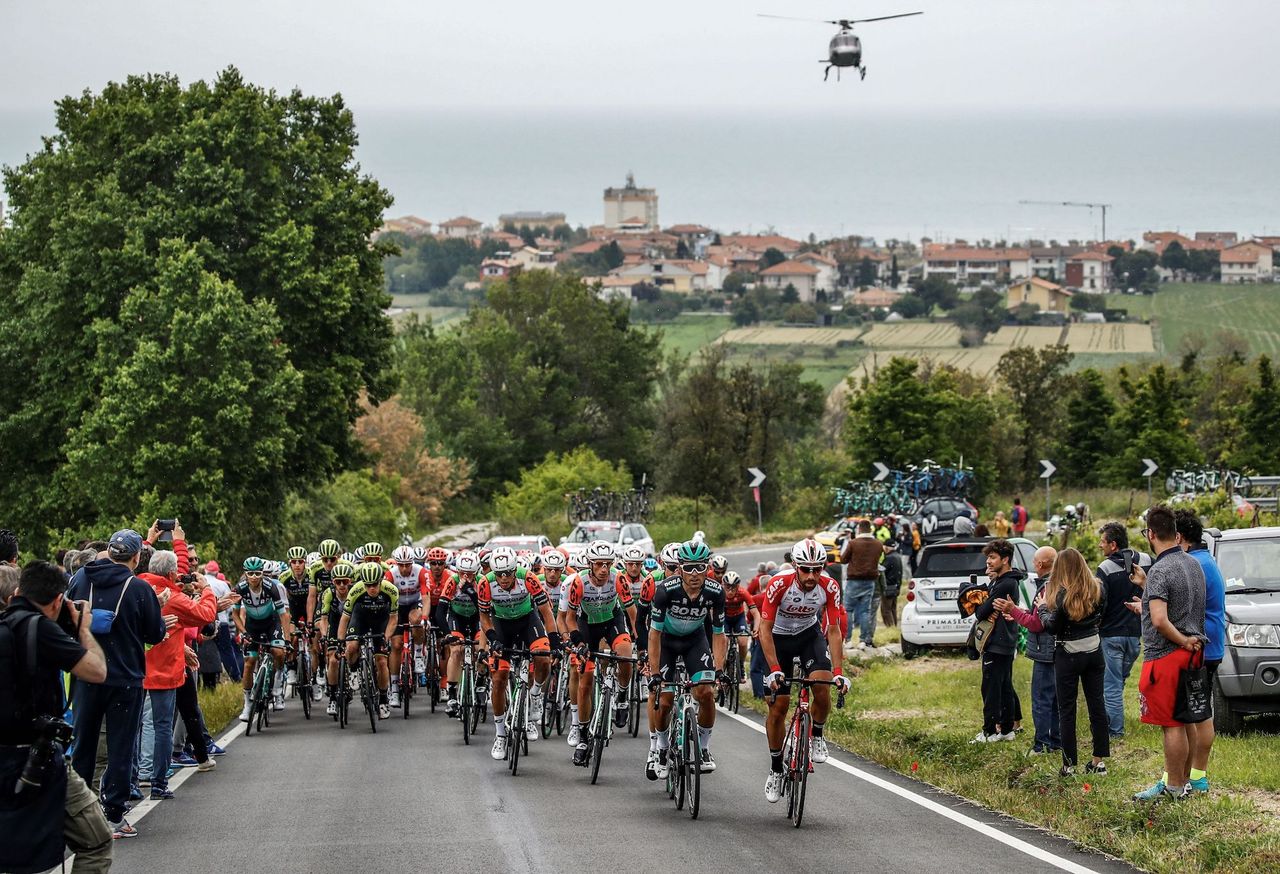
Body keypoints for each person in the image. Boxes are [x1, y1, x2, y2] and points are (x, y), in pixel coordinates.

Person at [1, 561, 112, 873]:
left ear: (19, 592)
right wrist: (84, 629)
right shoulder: (40, 628)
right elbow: (97, 671)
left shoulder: (5, 624)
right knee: (97, 840)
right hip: (37, 758)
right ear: (57, 601)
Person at [66, 528, 169, 839]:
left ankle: (78, 812)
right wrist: (158, 609)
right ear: (136, 558)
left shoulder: (81, 578)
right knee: (121, 747)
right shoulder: (138, 588)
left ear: (108, 551)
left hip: (85, 672)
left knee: (83, 742)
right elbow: (155, 633)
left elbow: (64, 618)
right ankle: (113, 814)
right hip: (125, 676)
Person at [1000, 548, 1109, 776]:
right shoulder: (1098, 588)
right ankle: (1098, 761)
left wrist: (1040, 609)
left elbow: (1051, 626)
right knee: (1097, 705)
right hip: (1094, 649)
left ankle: (1069, 764)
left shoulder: (1061, 595)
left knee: (1067, 709)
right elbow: (1102, 616)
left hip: (1068, 653)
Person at [757, 538, 848, 803]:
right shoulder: (779, 584)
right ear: (796, 566)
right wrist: (774, 668)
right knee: (779, 706)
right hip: (778, 638)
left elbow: (833, 629)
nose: (811, 576)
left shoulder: (829, 586)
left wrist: (839, 670)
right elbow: (764, 628)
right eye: (806, 569)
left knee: (823, 685)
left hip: (809, 635)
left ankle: (817, 734)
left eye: (817, 569)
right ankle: (776, 768)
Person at [1132, 505, 1208, 802]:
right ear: (1176, 534)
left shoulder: (1161, 569)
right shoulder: (1193, 563)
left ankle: (1174, 786)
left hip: (1168, 653)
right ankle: (1186, 782)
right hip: (1193, 651)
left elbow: (1160, 620)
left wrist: (1183, 640)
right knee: (1187, 719)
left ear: (1150, 534)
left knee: (1171, 725)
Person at [139, 540, 219, 798]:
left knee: (138, 724)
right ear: (173, 574)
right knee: (161, 725)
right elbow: (205, 614)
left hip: (135, 667)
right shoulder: (172, 597)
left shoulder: (138, 585)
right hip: (163, 670)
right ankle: (157, 780)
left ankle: (136, 775)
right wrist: (206, 589)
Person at [647, 540, 726, 778]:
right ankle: (661, 747)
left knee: (705, 693)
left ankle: (703, 748)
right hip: (667, 642)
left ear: (707, 567)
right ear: (679, 567)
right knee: (666, 699)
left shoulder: (715, 591)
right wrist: (654, 673)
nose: (694, 574)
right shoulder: (665, 590)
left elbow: (719, 634)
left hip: (695, 640)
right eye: (689, 567)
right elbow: (654, 635)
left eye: (700, 567)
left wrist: (719, 669)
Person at [477, 546, 556, 760]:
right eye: (499, 574)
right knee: (500, 677)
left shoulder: (528, 578)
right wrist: (492, 638)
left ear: (515, 570)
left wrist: (554, 638)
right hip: (501, 625)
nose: (503, 578)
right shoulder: (485, 583)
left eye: (508, 573)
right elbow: (484, 617)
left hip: (527, 621)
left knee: (543, 658)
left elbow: (546, 611)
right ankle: (501, 734)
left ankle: (536, 694)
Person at [1174, 509, 1225, 794]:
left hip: (1201, 648)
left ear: (1179, 537)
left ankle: (1195, 777)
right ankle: (1193, 776)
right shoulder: (1205, 560)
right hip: (1211, 645)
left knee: (1198, 713)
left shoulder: (1194, 564)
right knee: (1198, 711)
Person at [1096, 522, 1150, 739]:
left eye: (1102, 542)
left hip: (1111, 636)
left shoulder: (1105, 567)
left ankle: (1114, 732)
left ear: (1113, 544)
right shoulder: (1146, 560)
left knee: (1111, 685)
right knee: (1118, 682)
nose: (1100, 546)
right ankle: (1114, 718)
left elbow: (1099, 602)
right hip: (1136, 636)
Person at [970, 539, 1022, 743]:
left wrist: (980, 600)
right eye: (987, 558)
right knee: (1004, 686)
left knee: (991, 688)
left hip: (997, 642)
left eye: (992, 557)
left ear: (1005, 559)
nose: (988, 562)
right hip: (1005, 642)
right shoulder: (1004, 581)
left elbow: (981, 612)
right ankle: (1007, 729)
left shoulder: (1005, 584)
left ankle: (989, 731)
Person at [1018, 546, 1060, 755]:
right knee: (1056, 700)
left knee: (1041, 699)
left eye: (1035, 562)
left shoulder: (1046, 587)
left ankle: (1040, 744)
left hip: (1045, 650)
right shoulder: (1061, 582)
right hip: (1059, 649)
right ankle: (1056, 742)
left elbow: (1037, 624)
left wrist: (1015, 612)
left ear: (1040, 564)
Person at [838, 519, 883, 649]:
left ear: (859, 529)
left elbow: (843, 559)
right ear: (870, 529)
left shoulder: (853, 543)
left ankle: (848, 640)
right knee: (865, 611)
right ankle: (863, 640)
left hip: (854, 580)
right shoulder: (878, 544)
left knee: (849, 610)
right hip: (870, 581)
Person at [879, 538, 902, 628]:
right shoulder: (897, 556)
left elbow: (882, 570)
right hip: (896, 586)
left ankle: (890, 628)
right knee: (893, 609)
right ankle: (894, 627)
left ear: (887, 548)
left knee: (886, 610)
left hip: (888, 587)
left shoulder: (889, 558)